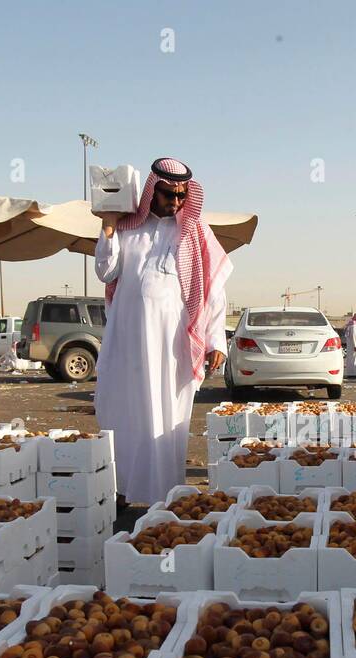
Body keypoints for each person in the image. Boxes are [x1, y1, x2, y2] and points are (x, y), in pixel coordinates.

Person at [93, 157, 230, 510]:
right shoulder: (127, 229)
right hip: (128, 340)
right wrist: (108, 227)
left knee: (169, 416)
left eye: (183, 196)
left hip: (173, 344)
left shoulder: (195, 231)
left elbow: (214, 291)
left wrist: (216, 340)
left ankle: (165, 495)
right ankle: (120, 489)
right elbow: (106, 273)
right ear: (152, 190)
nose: (176, 203)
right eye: (169, 194)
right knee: (122, 411)